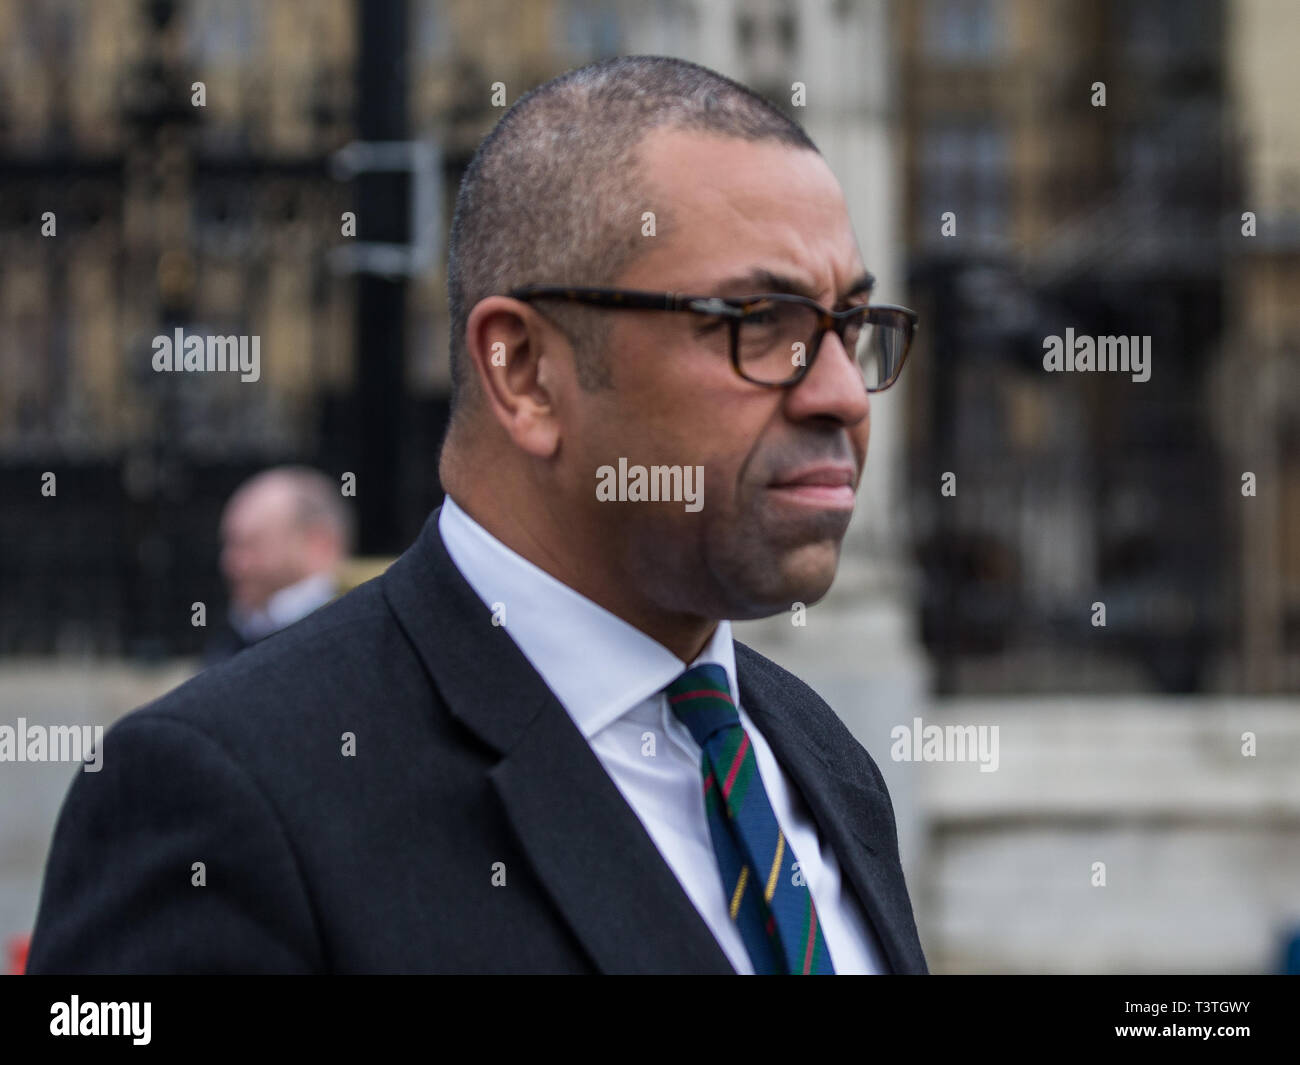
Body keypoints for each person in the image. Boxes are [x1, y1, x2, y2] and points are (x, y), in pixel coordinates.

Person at [27, 55, 926, 974]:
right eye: (758, 321)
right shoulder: (227, 798)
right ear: (525, 372)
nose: (842, 397)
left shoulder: (817, 756)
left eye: (848, 326)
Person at [202, 466, 353, 667]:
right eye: (228, 545)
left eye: (251, 545)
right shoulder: (234, 636)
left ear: (319, 545)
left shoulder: (347, 638)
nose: (230, 564)